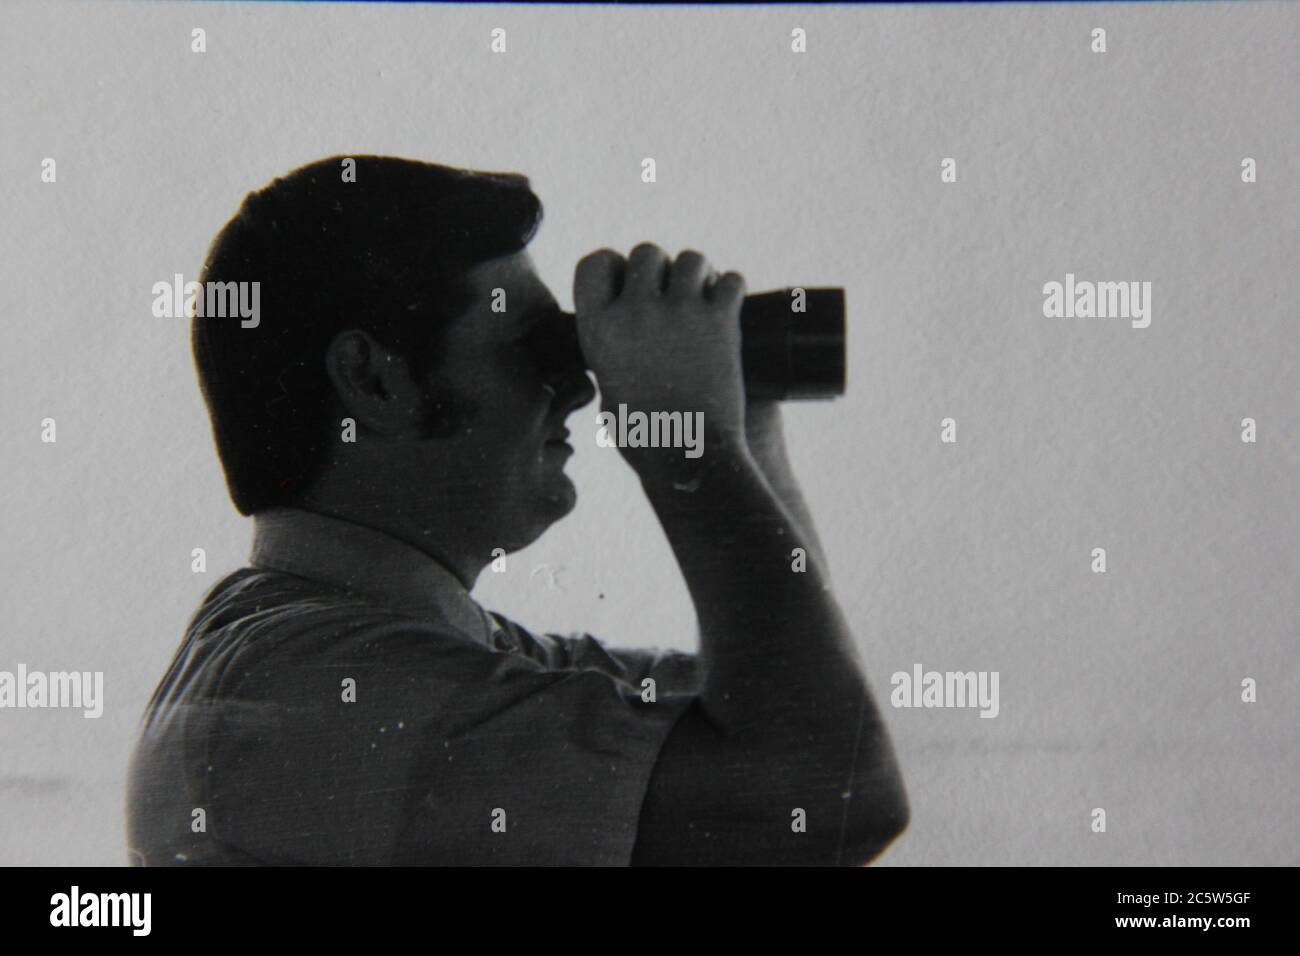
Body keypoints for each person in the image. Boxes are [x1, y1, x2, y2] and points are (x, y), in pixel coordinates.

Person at [127, 155, 908, 866]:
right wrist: (694, 448)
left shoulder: (377, 647)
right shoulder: (314, 692)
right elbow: (832, 801)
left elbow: (798, 712)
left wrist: (745, 427)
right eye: (539, 348)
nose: (580, 386)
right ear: (374, 381)